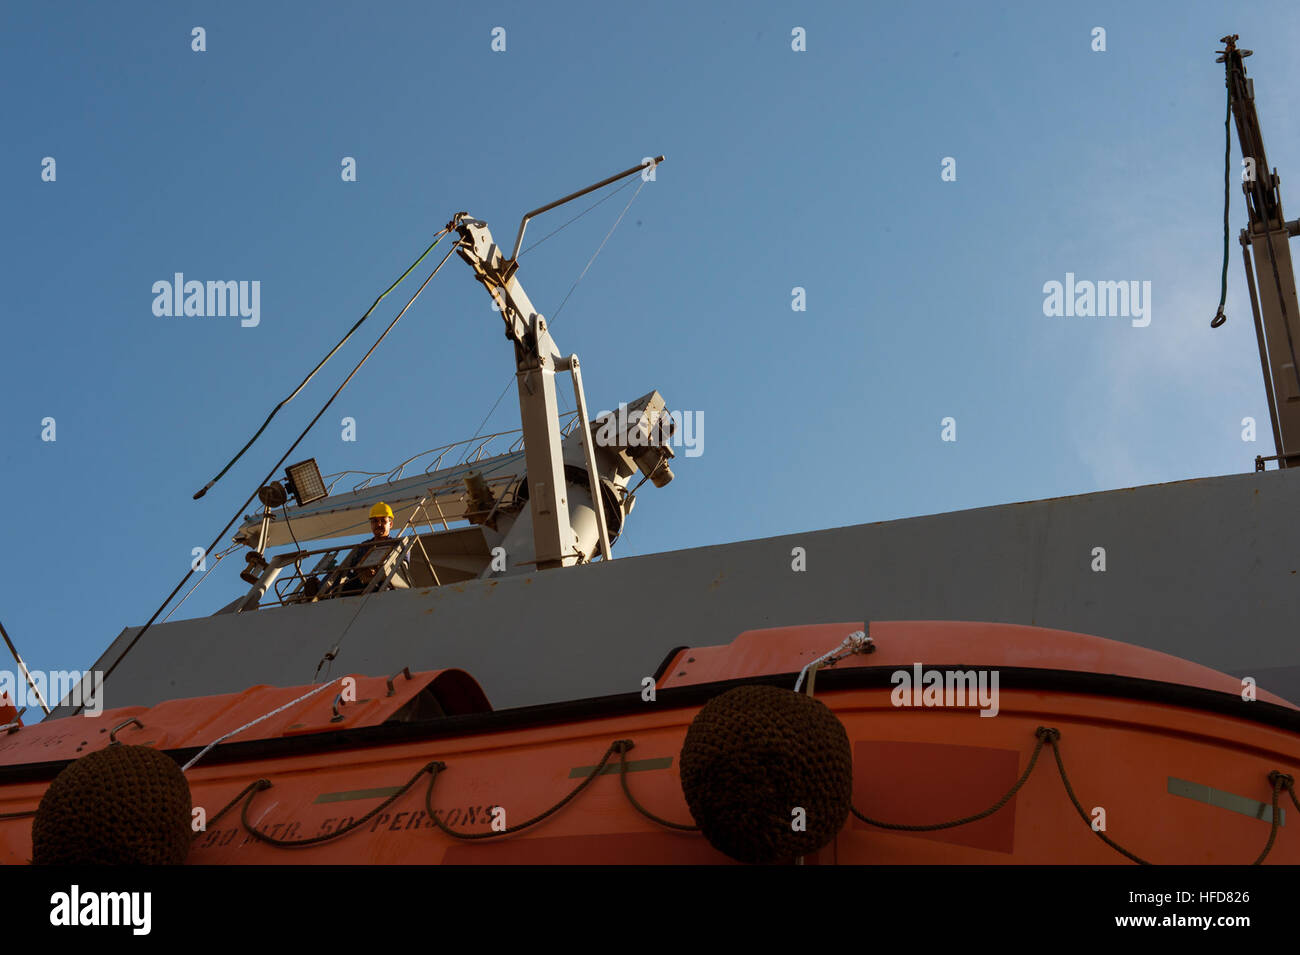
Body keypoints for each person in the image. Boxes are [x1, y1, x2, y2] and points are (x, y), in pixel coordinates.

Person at [336, 502, 410, 596]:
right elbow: (350, 567)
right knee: (337, 574)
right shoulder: (363, 546)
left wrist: (379, 572)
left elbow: (403, 568)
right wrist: (362, 572)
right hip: (360, 585)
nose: (379, 524)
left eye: (383, 521)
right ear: (371, 524)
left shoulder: (398, 545)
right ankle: (319, 593)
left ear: (390, 524)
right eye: (375, 521)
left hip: (386, 587)